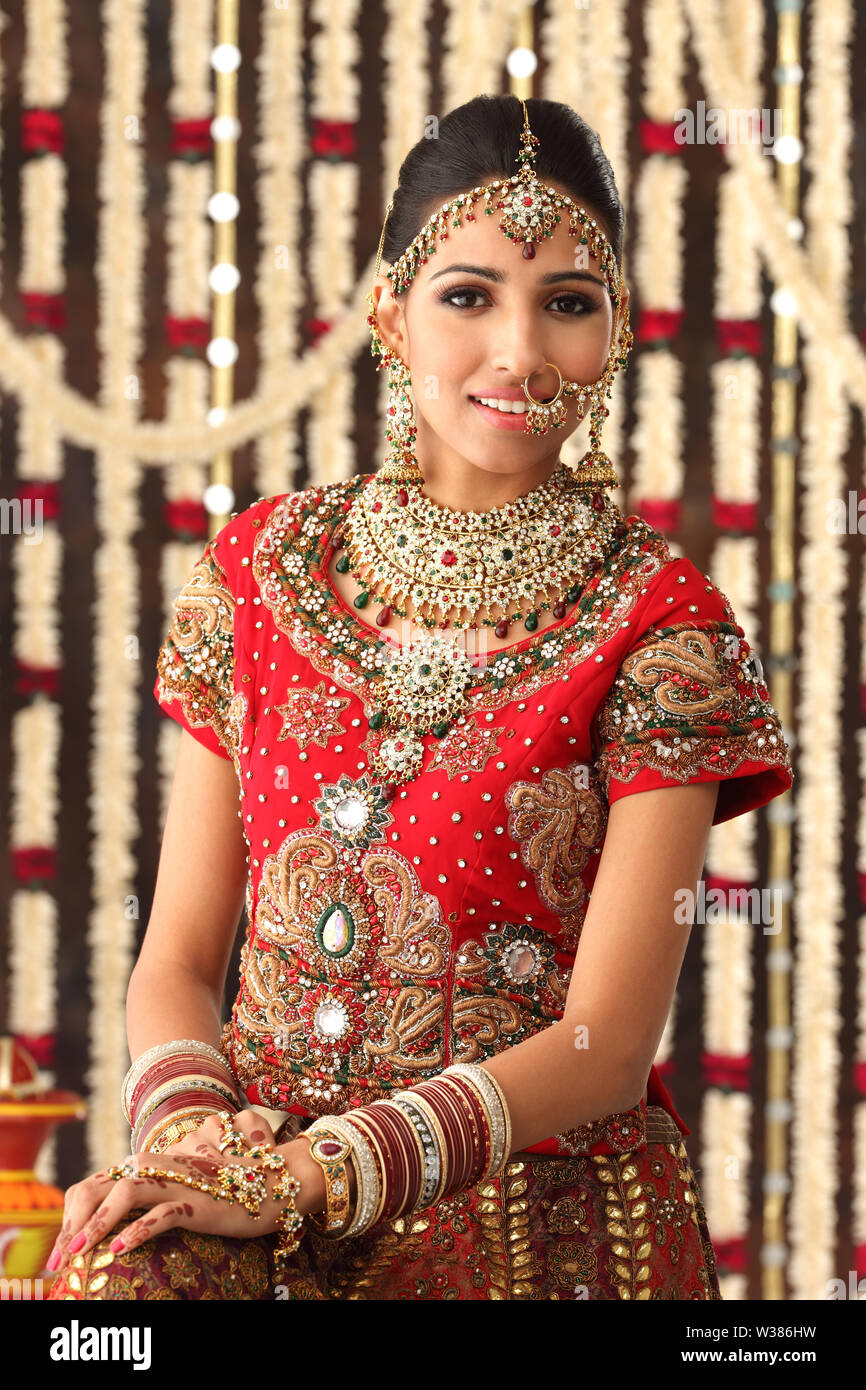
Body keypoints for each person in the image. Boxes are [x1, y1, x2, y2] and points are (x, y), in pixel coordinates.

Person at [47, 94, 793, 1301]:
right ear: (389, 314)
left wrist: (312, 1177)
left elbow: (606, 1044)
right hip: (249, 1180)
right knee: (112, 1283)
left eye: (566, 303)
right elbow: (177, 959)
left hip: (530, 1223)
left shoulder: (660, 623)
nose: (518, 351)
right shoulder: (260, 572)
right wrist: (197, 1150)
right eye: (467, 295)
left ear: (613, 332)